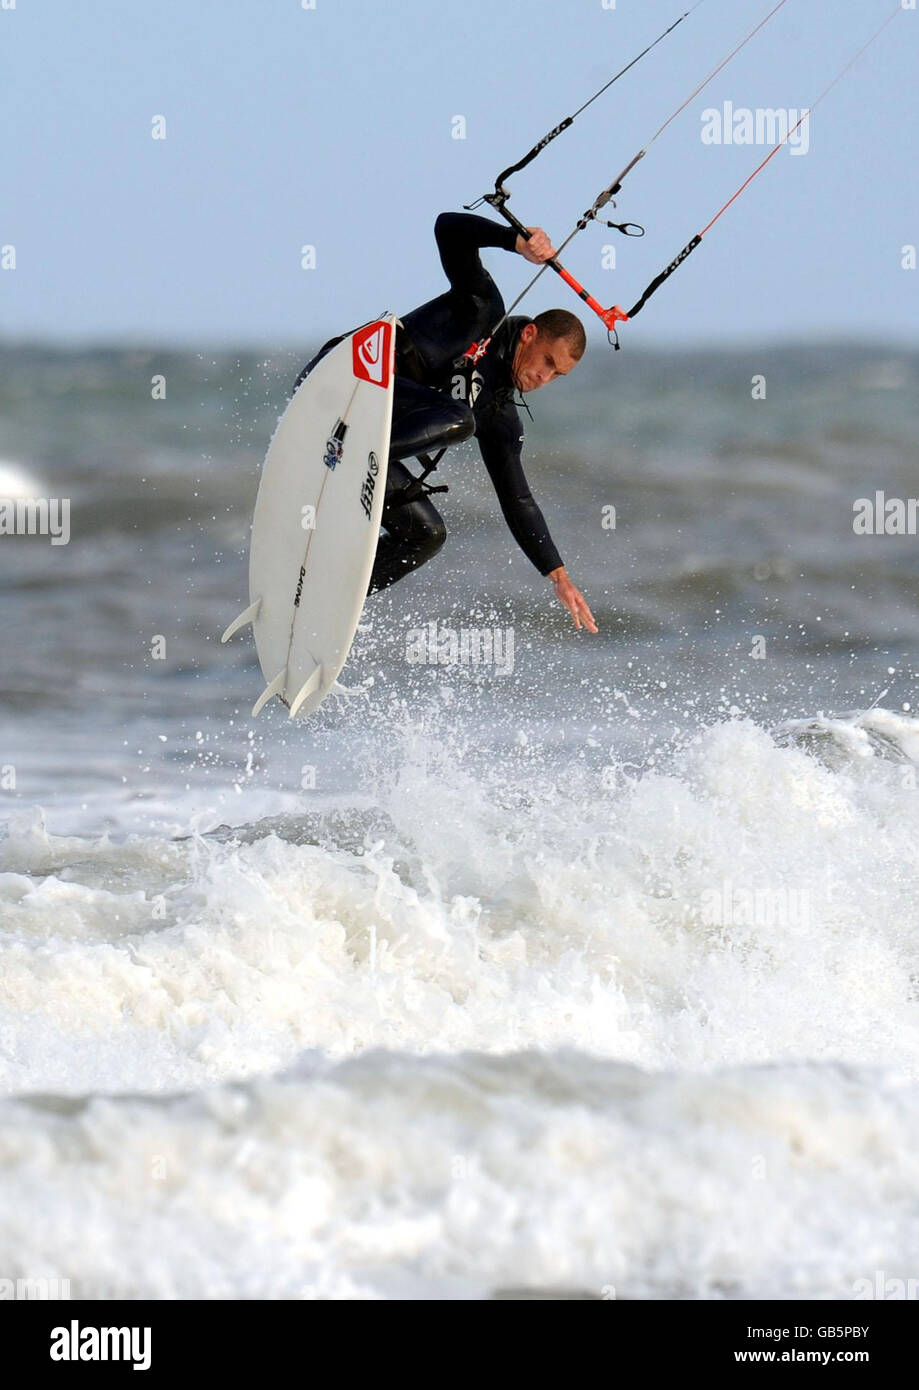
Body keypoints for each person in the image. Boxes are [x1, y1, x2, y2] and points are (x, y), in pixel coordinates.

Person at [295, 211, 598, 632]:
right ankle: (345, 455)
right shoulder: (481, 309)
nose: (543, 378)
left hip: (362, 440)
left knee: (426, 534)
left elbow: (517, 499)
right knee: (459, 418)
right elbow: (448, 229)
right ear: (529, 333)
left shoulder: (499, 417)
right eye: (547, 361)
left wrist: (558, 575)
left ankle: (324, 601)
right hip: (343, 380)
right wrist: (514, 240)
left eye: (556, 375)